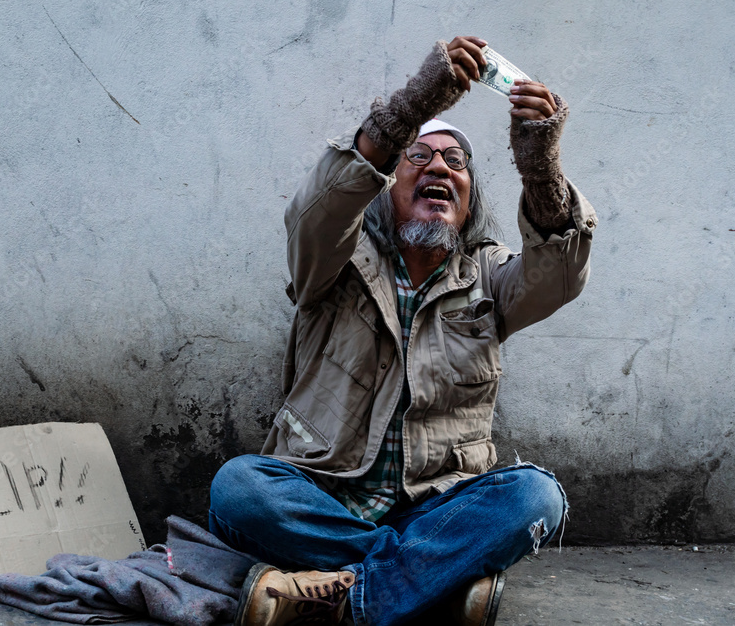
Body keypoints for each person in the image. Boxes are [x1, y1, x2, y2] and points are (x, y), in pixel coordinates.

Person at [208, 35, 597, 626]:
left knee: (536, 496)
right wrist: (404, 116)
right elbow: (319, 210)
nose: (440, 165)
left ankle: (347, 595)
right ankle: (429, 584)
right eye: (419, 155)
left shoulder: (489, 276)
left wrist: (541, 170)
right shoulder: (335, 259)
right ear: (385, 187)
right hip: (324, 497)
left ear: (469, 203)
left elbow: (558, 278)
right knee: (238, 489)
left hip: (435, 510)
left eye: (456, 162)